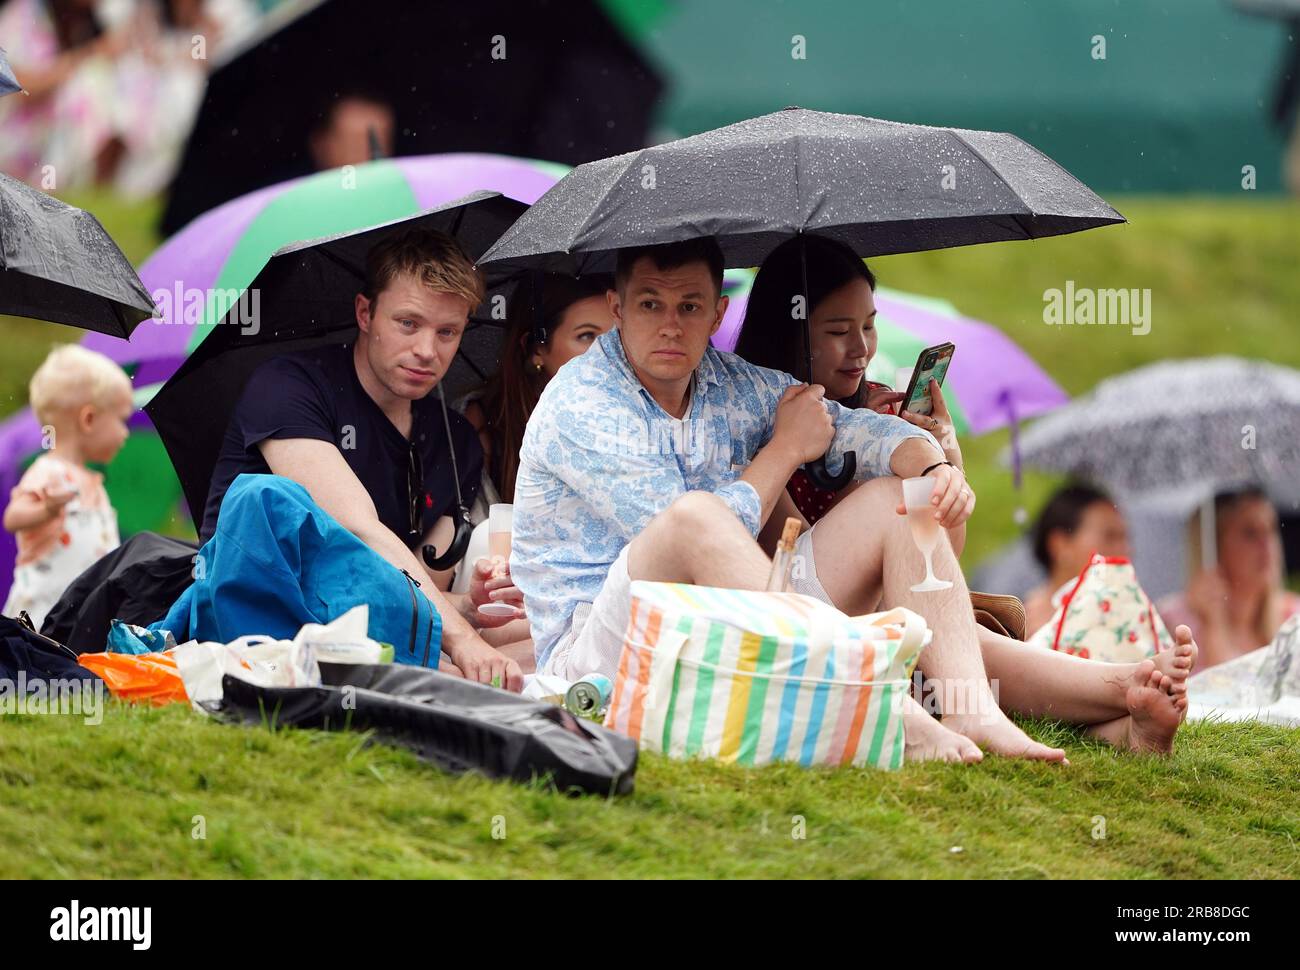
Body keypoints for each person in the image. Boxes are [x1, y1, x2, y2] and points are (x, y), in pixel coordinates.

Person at [511, 237, 1198, 762]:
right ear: (616, 308)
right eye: (650, 305)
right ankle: (889, 709)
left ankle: (978, 710)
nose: (670, 325)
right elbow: (685, 541)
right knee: (694, 519)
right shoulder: (582, 402)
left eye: (689, 307)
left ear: (718, 311)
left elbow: (858, 431)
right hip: (604, 655)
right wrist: (784, 450)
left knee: (900, 500)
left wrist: (935, 463)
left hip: (763, 623)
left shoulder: (731, 380)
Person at [202, 227, 524, 689]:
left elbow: (415, 594)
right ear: (365, 313)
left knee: (537, 639)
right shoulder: (289, 387)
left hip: (370, 623)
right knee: (458, 672)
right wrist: (463, 640)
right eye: (408, 323)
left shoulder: (457, 441)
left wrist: (472, 607)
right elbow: (358, 528)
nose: (427, 351)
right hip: (262, 613)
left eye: (447, 332)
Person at [732, 234, 965, 554]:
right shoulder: (750, 426)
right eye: (839, 331)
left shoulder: (883, 412)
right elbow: (804, 561)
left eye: (868, 326)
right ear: (784, 335)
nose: (861, 348)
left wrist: (946, 456)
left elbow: (946, 551)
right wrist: (866, 452)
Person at [462, 273, 616, 508]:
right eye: (587, 336)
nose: (608, 352)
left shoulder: (636, 416)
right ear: (536, 349)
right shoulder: (484, 426)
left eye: (616, 336)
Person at [3, 345, 131, 628]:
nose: (126, 433)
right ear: (89, 419)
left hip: (78, 623)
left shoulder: (95, 485)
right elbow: (12, 517)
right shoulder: (49, 472)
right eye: (121, 420)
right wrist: (46, 509)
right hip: (37, 623)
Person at [1160, 487, 1300, 671]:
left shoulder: (1293, 617)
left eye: (1271, 529)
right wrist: (1213, 625)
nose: (1266, 543)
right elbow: (1223, 684)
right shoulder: (1175, 624)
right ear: (1215, 544)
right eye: (1250, 533)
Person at [1024, 482, 1132, 632]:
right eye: (1109, 536)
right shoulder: (1014, 629)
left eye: (1124, 538)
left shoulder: (1132, 621)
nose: (1125, 549)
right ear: (1060, 545)